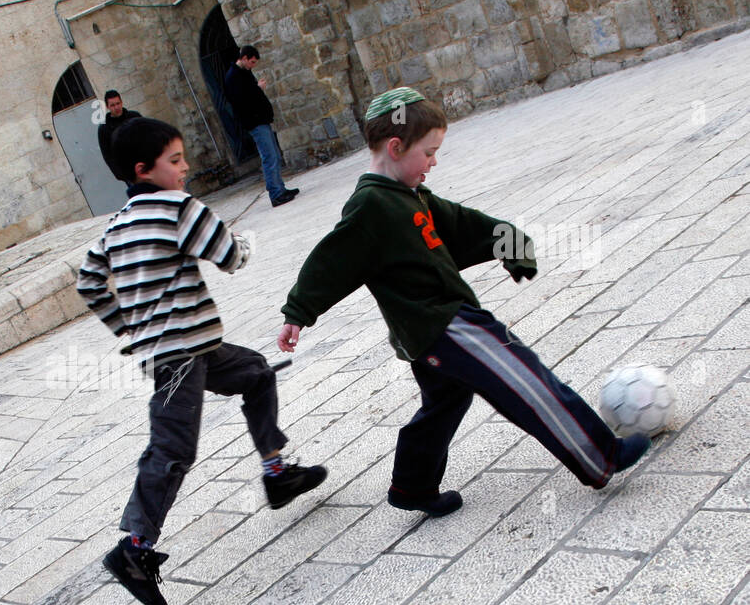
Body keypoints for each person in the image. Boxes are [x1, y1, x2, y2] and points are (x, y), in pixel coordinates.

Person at [277, 87, 651, 518]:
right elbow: (332, 260)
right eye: (429, 152)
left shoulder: (409, 195)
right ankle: (600, 456)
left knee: (445, 403)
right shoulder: (370, 206)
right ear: (396, 148)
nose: (434, 162)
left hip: (429, 334)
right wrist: (298, 312)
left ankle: (412, 486)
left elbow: (460, 223)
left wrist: (508, 242)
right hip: (446, 326)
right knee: (526, 379)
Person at [78, 117, 328, 605]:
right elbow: (229, 257)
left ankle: (276, 471)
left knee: (256, 372)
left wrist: (129, 329)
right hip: (179, 359)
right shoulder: (177, 206)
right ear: (143, 169)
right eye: (175, 160)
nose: (185, 167)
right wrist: (247, 244)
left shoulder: (115, 225)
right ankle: (133, 549)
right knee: (172, 448)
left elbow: (89, 283)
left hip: (190, 349)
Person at [224, 45, 297, 207]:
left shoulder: (243, 73)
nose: (252, 66)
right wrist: (258, 89)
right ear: (243, 58)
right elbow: (241, 101)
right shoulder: (233, 77)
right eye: (251, 62)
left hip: (260, 120)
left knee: (275, 155)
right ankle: (276, 194)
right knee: (269, 156)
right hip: (254, 122)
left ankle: (281, 189)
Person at [97, 90, 143, 182]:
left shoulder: (135, 117)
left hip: (146, 163)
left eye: (118, 103)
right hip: (129, 173)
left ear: (122, 102)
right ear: (107, 107)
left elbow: (149, 136)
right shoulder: (104, 129)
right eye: (112, 105)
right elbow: (107, 155)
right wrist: (121, 175)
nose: (116, 107)